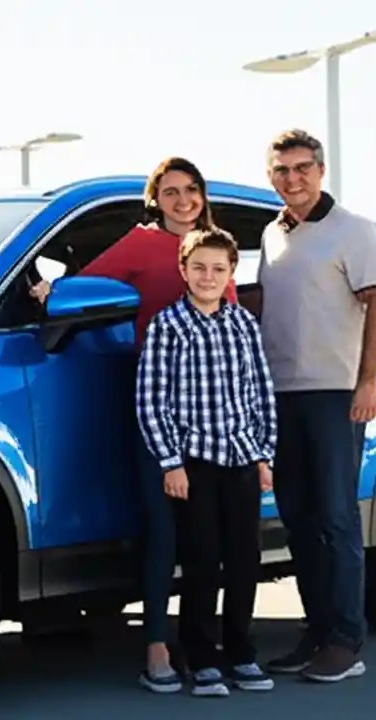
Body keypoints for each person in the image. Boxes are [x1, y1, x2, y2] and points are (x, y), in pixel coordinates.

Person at [31, 157, 238, 693]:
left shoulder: (216, 249)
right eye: (171, 192)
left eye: (191, 190)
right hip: (160, 411)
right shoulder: (141, 244)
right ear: (156, 200)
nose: (183, 200)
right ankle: (155, 647)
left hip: (213, 421)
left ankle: (203, 650)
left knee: (205, 540)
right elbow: (85, 285)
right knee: (163, 531)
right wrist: (48, 293)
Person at [255, 129, 376, 683]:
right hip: (280, 396)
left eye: (302, 168)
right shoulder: (271, 235)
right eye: (282, 171)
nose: (293, 178)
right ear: (272, 177)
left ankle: (346, 641)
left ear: (321, 169)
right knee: (298, 518)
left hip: (335, 393)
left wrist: (367, 382)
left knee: (336, 518)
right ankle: (316, 632)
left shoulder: (355, 231)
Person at [135, 227, 278, 698]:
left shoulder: (243, 326)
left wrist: (263, 454)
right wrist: (170, 462)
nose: (208, 276)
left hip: (240, 458)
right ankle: (200, 656)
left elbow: (261, 395)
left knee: (244, 560)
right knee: (201, 560)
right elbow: (152, 401)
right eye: (199, 267)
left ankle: (241, 651)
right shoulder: (167, 326)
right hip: (194, 463)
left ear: (231, 273)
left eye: (219, 269)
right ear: (183, 270)